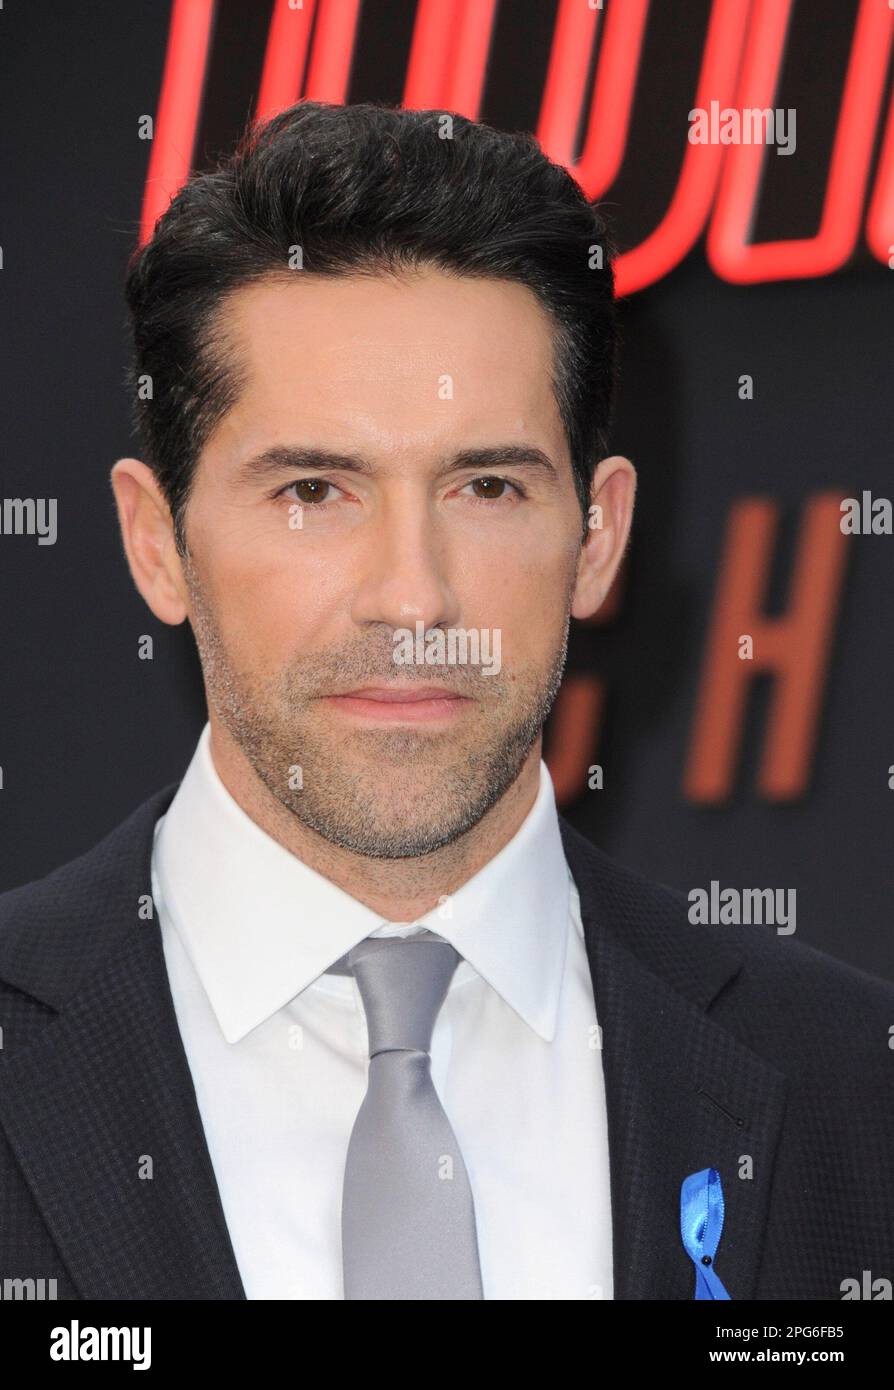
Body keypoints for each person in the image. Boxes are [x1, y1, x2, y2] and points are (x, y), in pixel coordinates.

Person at [0, 100, 891, 1302]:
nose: (412, 597)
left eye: (485, 486)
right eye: (315, 489)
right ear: (155, 543)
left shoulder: (854, 1089)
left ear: (598, 534)